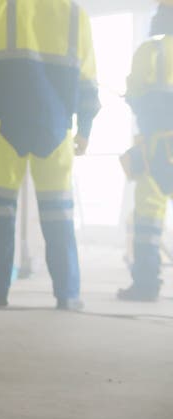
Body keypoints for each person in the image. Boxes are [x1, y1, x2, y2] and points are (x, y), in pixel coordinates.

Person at [0, 0, 101, 309]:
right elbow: (88, 77)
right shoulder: (75, 14)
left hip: (4, 123)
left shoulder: (0, 6)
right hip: (56, 127)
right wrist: (86, 128)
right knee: (59, 212)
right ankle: (68, 293)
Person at [117, 0, 173, 302]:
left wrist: (133, 98)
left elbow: (137, 93)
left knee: (148, 220)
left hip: (159, 148)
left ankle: (146, 285)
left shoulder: (151, 51)